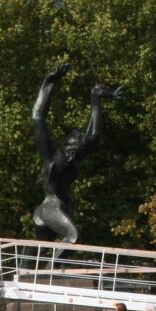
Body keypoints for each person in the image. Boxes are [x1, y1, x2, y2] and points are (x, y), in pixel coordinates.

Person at [32, 63, 122, 244]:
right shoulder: (52, 156)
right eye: (78, 138)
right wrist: (49, 82)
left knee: (36, 253)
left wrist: (96, 98)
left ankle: (37, 271)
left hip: (61, 208)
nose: (82, 139)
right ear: (69, 143)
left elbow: (94, 136)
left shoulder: (74, 159)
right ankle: (51, 272)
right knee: (72, 237)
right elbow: (38, 116)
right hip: (48, 208)